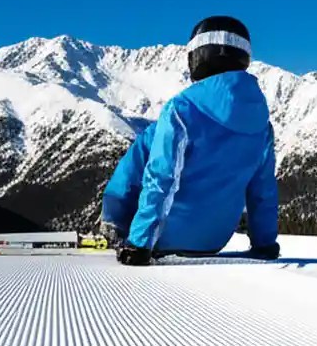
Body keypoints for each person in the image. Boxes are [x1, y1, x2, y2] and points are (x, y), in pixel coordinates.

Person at [101, 15, 281, 266]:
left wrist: (140, 244)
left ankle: (114, 225)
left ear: (199, 55)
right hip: (215, 240)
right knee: (154, 135)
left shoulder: (181, 109)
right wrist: (265, 243)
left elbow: (162, 176)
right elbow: (262, 190)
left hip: (164, 238)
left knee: (147, 141)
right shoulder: (262, 125)